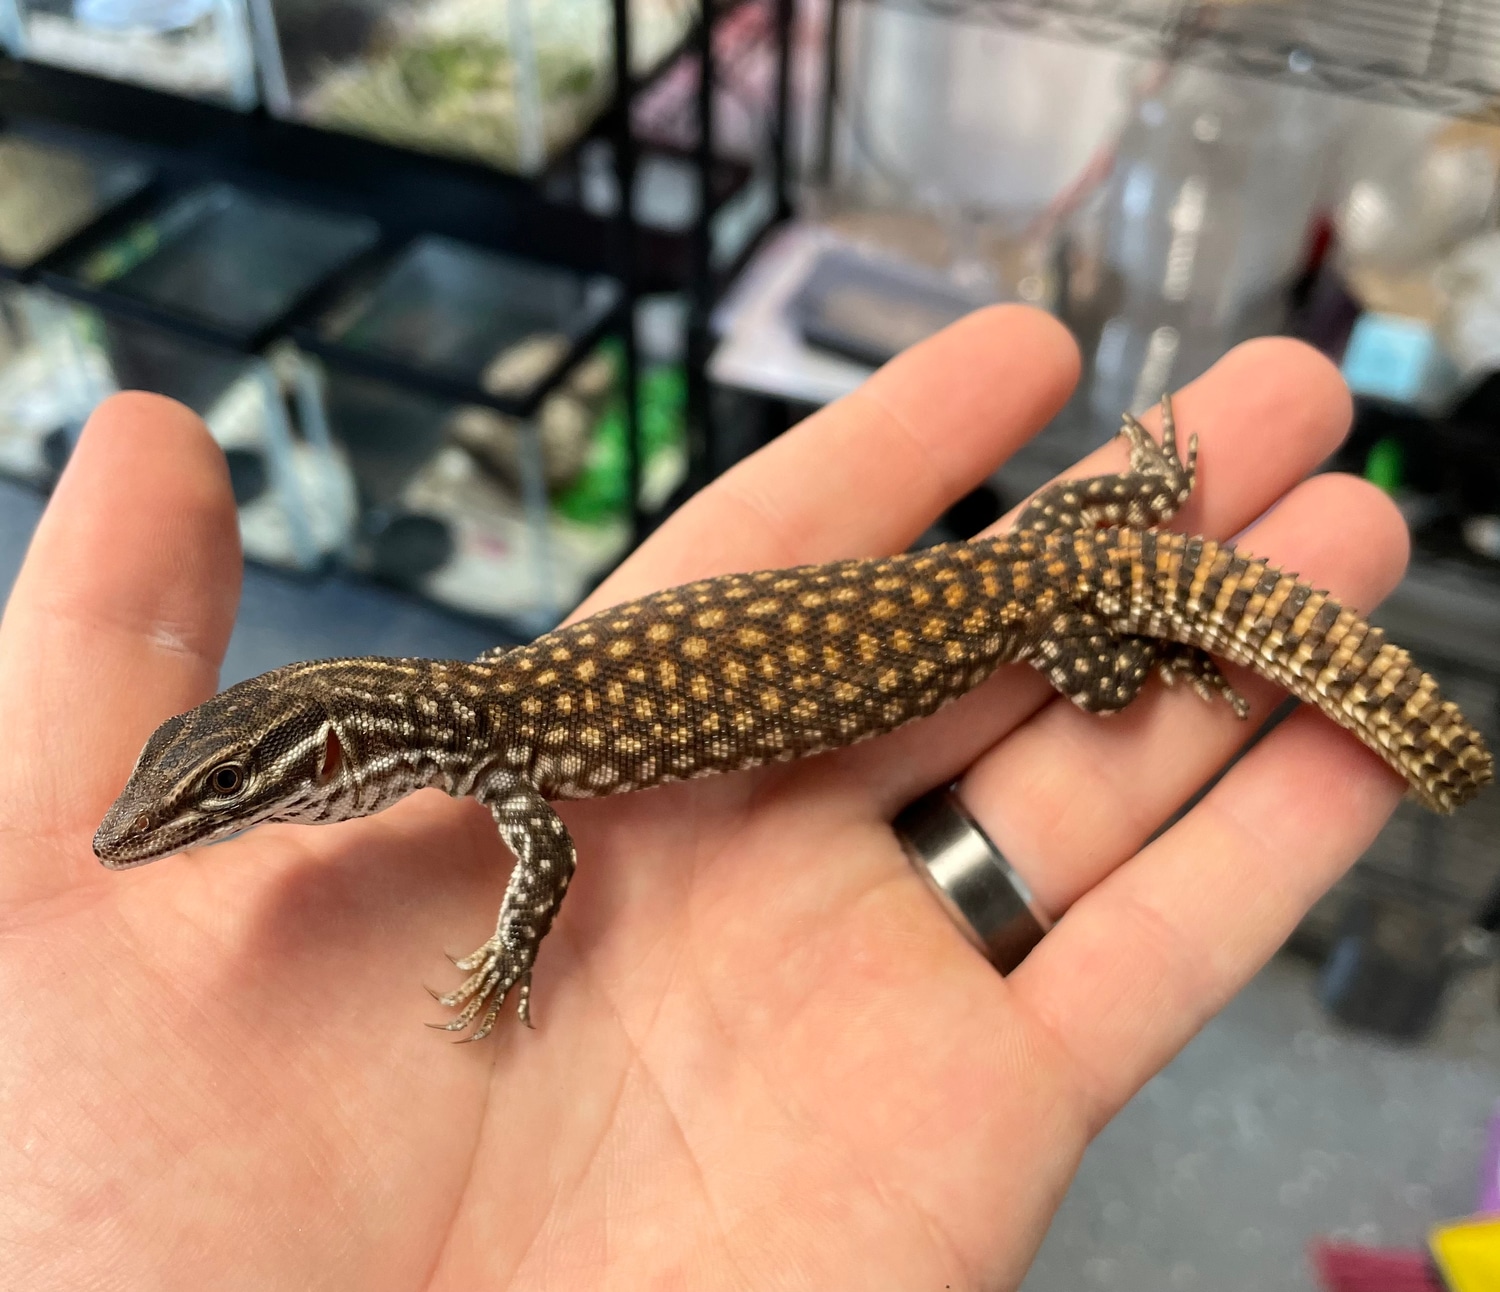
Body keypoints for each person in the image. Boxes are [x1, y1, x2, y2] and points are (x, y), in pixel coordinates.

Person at [0, 306, 1409, 1288]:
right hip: (1022, 567)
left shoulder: (508, 765)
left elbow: (548, 867)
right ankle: (1152, 557)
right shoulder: (491, 720)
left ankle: (1166, 631)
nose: (175, 822)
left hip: (1033, 605)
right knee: (1038, 569)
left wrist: (507, 961)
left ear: (328, 763)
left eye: (222, 790)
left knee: (1099, 685)